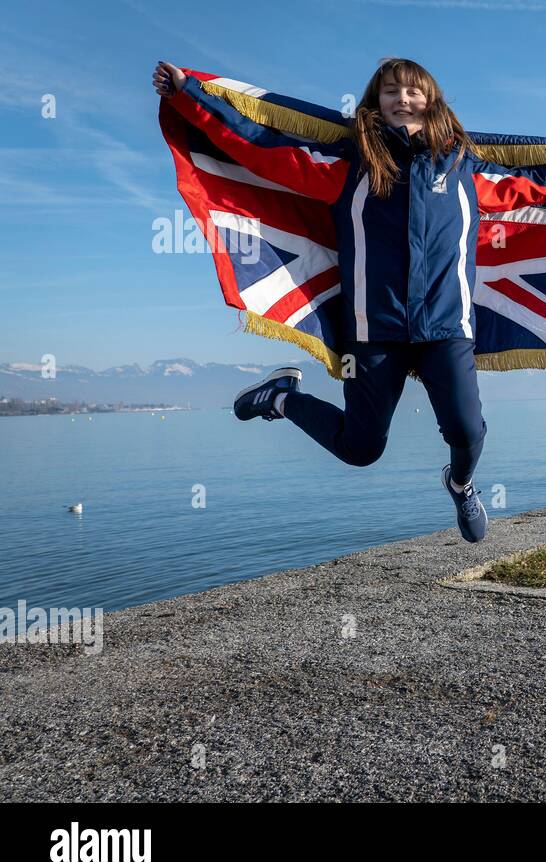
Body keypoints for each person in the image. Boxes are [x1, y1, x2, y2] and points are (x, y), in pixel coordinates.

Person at [153, 57, 494, 541]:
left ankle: (461, 485)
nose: (402, 99)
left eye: (413, 91)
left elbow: (541, 175)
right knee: (361, 449)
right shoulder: (352, 160)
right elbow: (263, 144)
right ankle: (280, 399)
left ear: (431, 98)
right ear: (376, 102)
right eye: (391, 91)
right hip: (373, 327)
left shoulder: (464, 162)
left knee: (467, 430)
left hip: (446, 323)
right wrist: (190, 97)